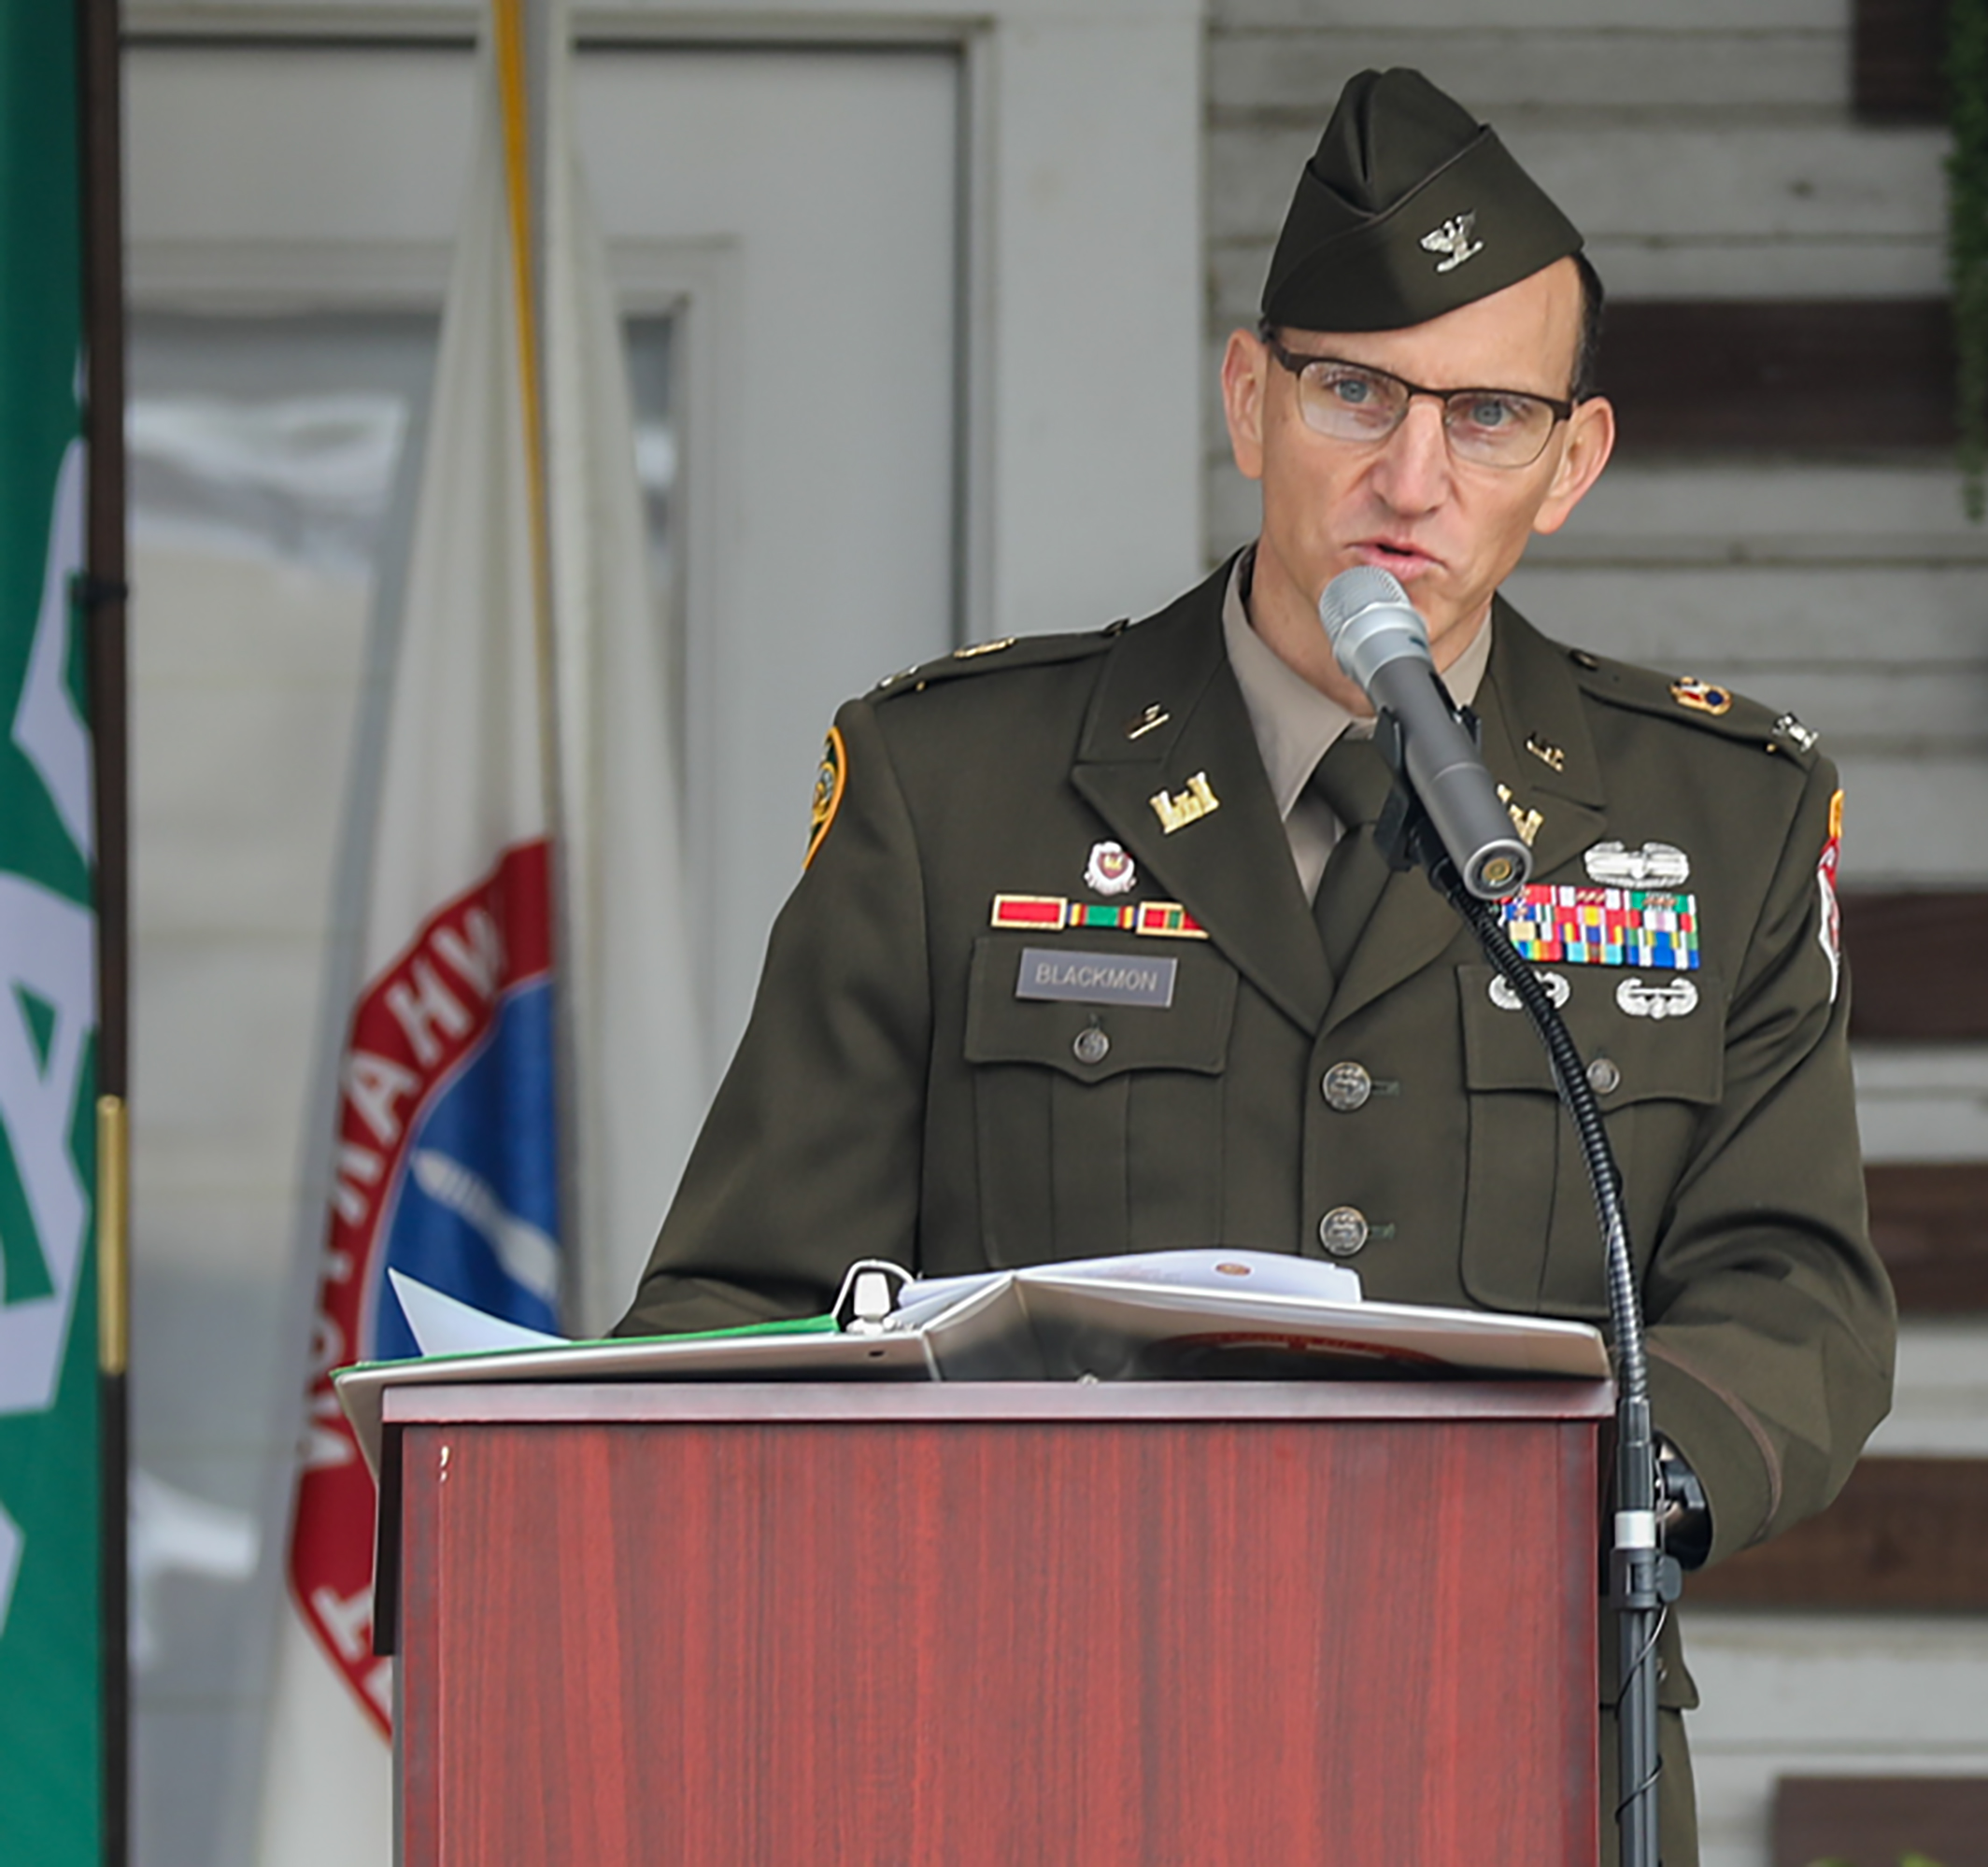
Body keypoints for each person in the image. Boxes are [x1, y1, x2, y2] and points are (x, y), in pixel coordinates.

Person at [619, 67, 1895, 1864]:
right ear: (1251, 399)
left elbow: (1796, 1297)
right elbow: (740, 1309)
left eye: (1491, 414)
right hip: (1024, 1754)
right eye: (1354, 389)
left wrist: (1638, 1482)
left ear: (1577, 462)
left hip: (1516, 1746)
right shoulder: (954, 786)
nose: (1412, 474)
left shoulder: (1719, 819)